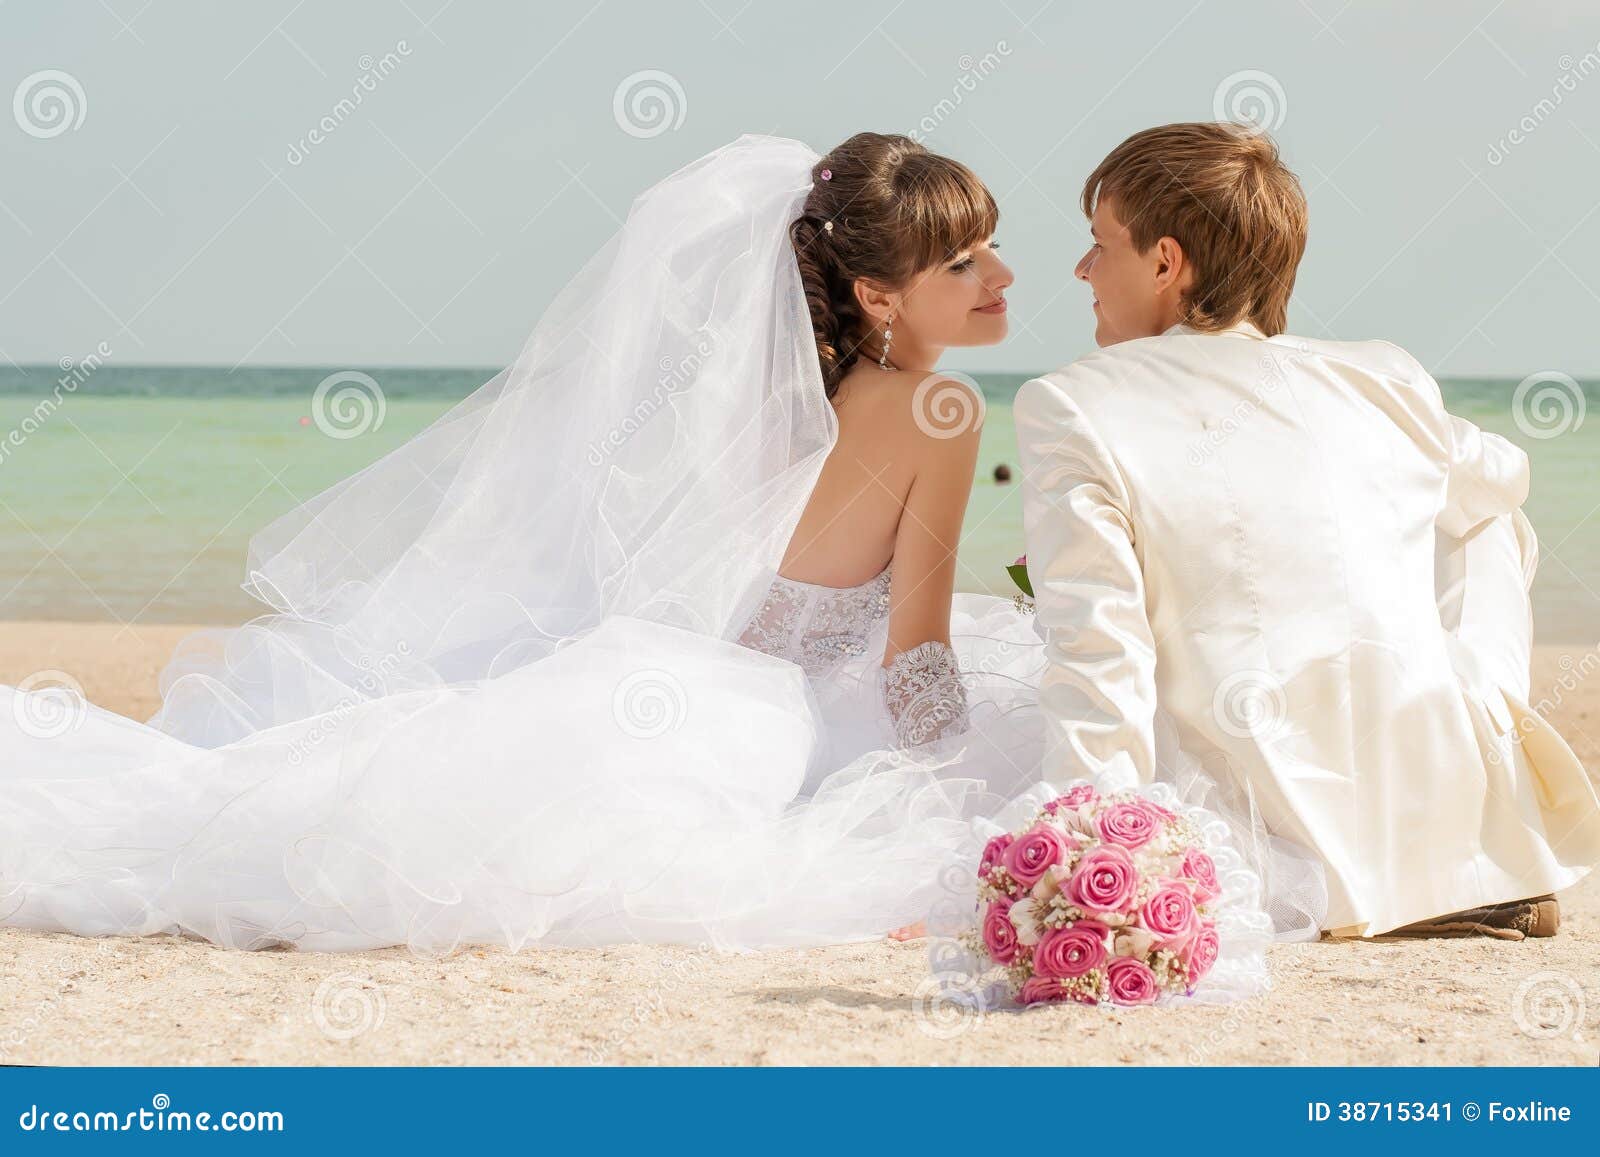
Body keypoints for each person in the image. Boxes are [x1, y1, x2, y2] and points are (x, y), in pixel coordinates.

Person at [0, 134, 1060, 956]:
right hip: (774, 720)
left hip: (684, 682)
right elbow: (912, 650)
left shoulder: (777, 398)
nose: (1001, 272)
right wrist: (944, 784)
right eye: (962, 259)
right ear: (877, 293)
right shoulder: (942, 412)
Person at [1015, 122, 1600, 941]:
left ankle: (1354, 854)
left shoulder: (1071, 402)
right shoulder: (1379, 375)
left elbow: (1098, 651)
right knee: (1488, 513)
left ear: (1164, 262)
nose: (1081, 269)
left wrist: (1088, 857)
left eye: (1098, 244)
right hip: (1436, 813)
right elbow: (1504, 476)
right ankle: (1465, 825)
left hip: (1263, 828)